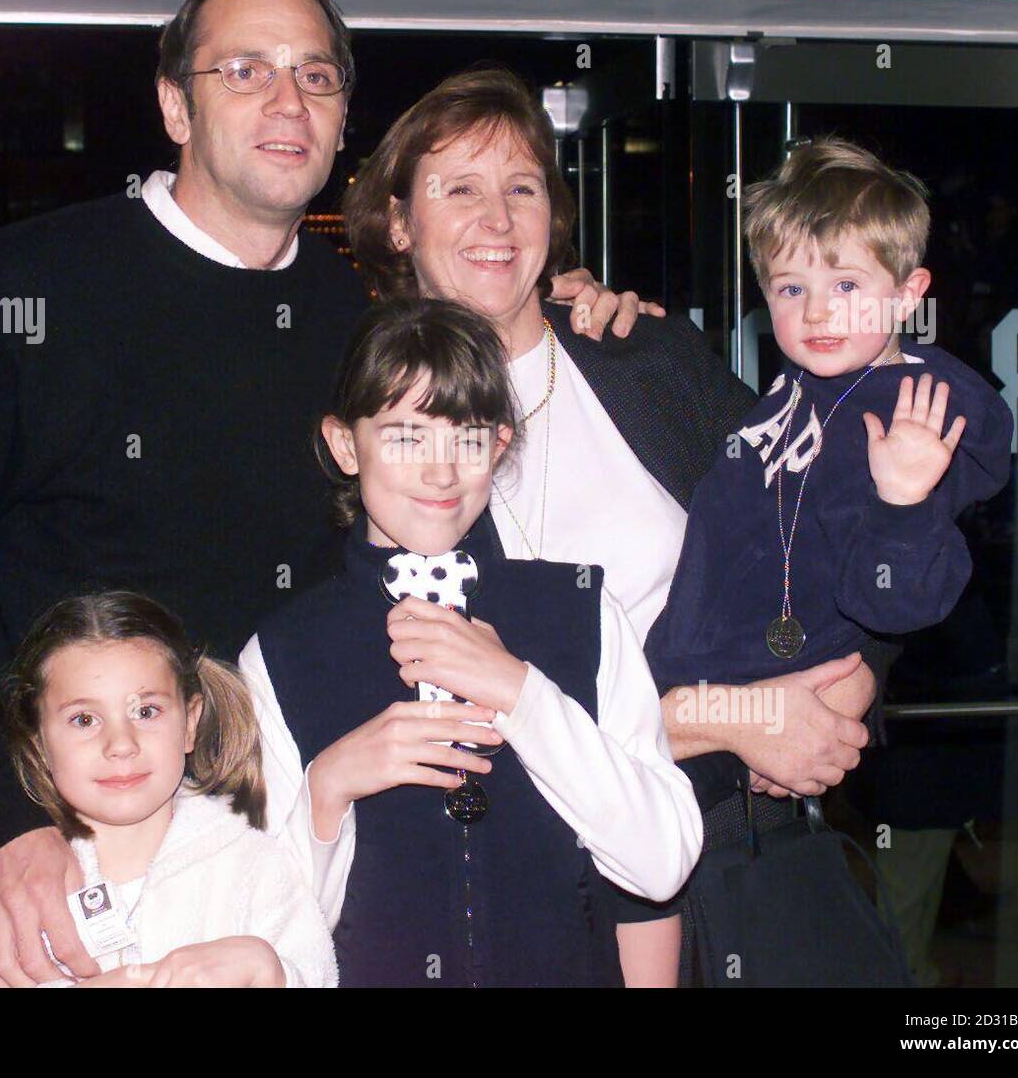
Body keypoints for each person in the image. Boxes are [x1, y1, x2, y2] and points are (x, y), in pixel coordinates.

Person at [0, 0, 647, 987]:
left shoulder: (365, 334)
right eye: (245, 70)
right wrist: (5, 821)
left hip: (309, 884)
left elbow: (452, 558)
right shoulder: (24, 291)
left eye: (316, 76)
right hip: (74, 888)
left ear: (344, 119)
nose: (287, 101)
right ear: (175, 103)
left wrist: (567, 315)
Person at [342, 66, 893, 984]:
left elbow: (838, 525)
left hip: (746, 851)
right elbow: (464, 721)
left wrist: (845, 691)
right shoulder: (380, 423)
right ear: (400, 223)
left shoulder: (645, 360)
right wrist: (733, 717)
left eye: (522, 187)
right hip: (547, 894)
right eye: (459, 188)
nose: (498, 217)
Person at [240, 296, 701, 986]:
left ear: (502, 444)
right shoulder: (282, 652)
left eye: (468, 437)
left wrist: (522, 694)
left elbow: (662, 861)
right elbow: (265, 941)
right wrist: (328, 789)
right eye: (404, 436)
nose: (441, 471)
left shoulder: (577, 609)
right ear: (344, 444)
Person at [647, 137, 1014, 709]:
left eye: (846, 285)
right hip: (689, 677)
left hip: (765, 697)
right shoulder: (803, 384)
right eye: (792, 288)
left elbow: (898, 606)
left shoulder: (917, 415)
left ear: (907, 294)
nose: (817, 311)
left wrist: (904, 502)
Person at [0, 590, 336, 988]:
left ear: (190, 722)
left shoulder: (254, 865)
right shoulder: (10, 879)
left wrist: (270, 972)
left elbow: (315, 972)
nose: (121, 744)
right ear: (38, 740)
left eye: (147, 711)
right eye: (84, 719)